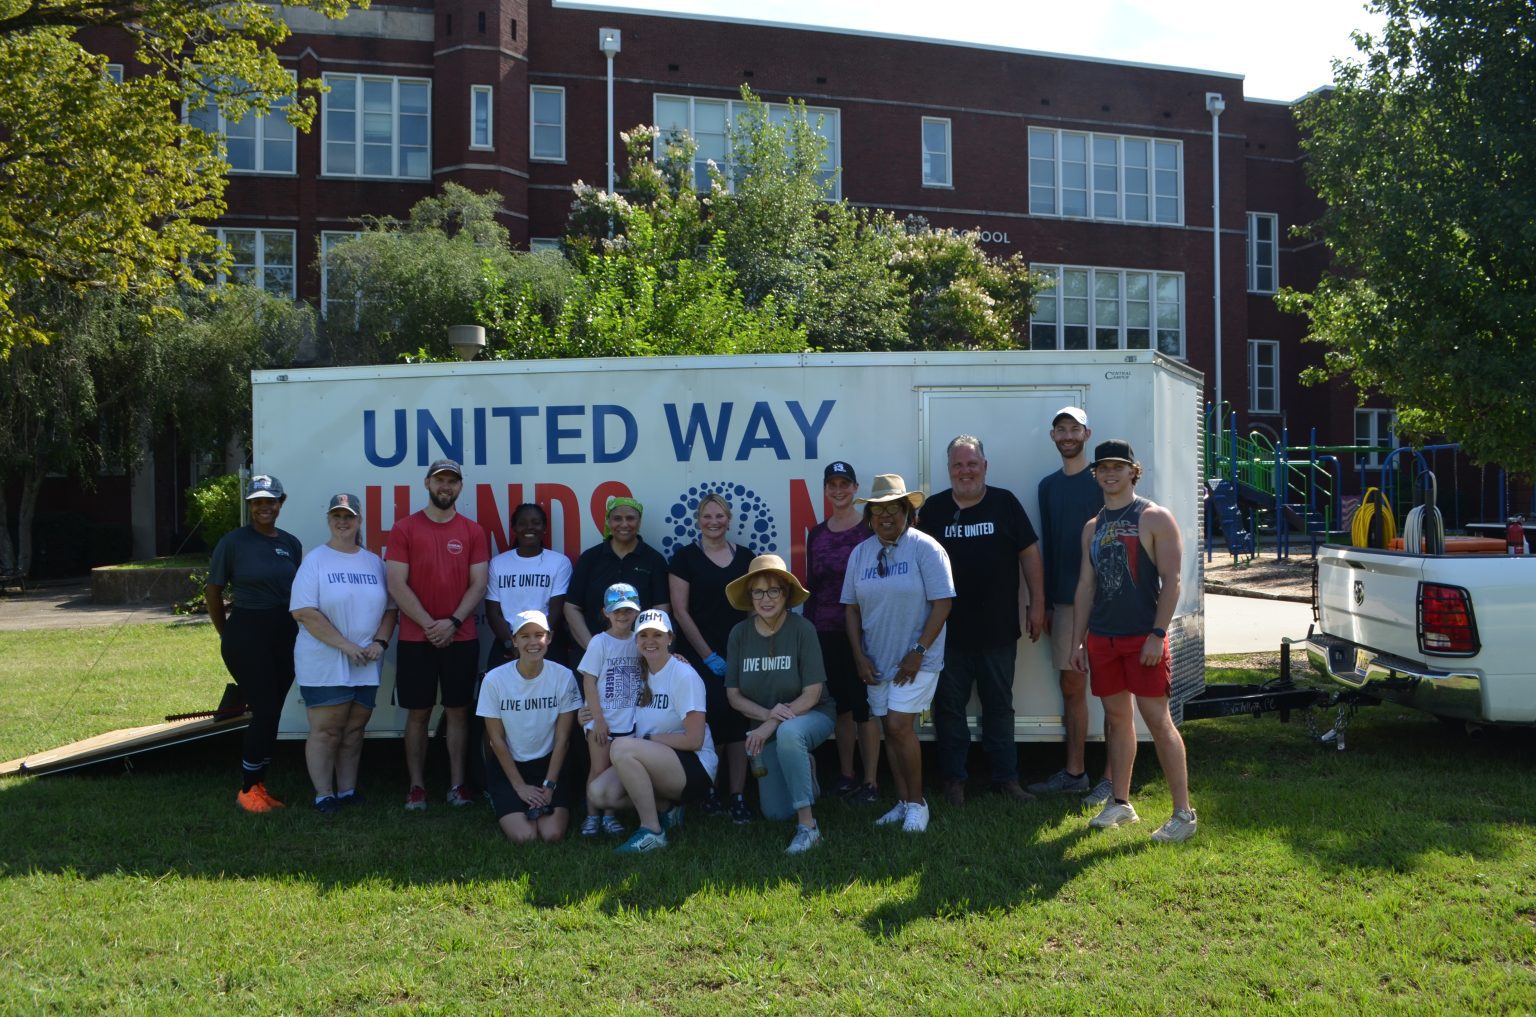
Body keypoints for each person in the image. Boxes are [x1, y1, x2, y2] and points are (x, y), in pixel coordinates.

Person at [1069, 439, 1197, 843]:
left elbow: (1173, 581)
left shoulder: (1154, 517)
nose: (1110, 473)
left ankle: (1183, 814)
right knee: (1117, 719)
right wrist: (1077, 641)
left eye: (1118, 467)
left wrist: (1158, 634)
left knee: (1157, 720)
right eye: (1103, 468)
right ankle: (1121, 803)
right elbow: (1085, 586)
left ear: (1132, 471)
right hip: (1102, 639)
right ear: (1096, 474)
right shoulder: (1092, 527)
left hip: (1143, 638)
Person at [917, 436, 1044, 806]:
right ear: (949, 469)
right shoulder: (934, 509)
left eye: (972, 464)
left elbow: (1030, 555)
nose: (965, 471)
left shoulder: (1005, 503)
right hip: (946, 633)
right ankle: (954, 780)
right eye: (958, 465)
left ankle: (1006, 779)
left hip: (997, 630)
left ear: (984, 466)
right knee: (949, 710)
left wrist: (1037, 604)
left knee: (999, 707)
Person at [841, 473, 955, 834]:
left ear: (908, 511)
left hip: (917, 660)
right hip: (876, 660)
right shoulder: (860, 553)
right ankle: (903, 801)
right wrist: (859, 656)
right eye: (878, 510)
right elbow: (851, 609)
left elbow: (943, 603)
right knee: (888, 731)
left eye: (893, 509)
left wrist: (918, 651)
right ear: (869, 517)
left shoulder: (925, 548)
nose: (885, 516)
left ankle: (918, 804)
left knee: (898, 725)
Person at [384, 458, 490, 811]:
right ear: (427, 483)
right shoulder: (404, 528)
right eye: (440, 480)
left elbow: (479, 584)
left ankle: (458, 785)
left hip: (461, 636)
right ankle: (416, 787)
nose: (446, 486)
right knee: (418, 712)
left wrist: (453, 623)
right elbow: (396, 583)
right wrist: (431, 624)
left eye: (452, 481)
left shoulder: (473, 531)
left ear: (460, 487)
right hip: (417, 639)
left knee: (458, 711)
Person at [288, 493, 398, 814]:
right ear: (328, 520)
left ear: (359, 521)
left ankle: (348, 790)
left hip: (366, 662)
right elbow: (303, 611)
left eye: (349, 516)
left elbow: (391, 609)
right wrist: (346, 645)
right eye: (337, 516)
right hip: (324, 661)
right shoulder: (316, 561)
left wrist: (380, 643)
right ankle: (324, 795)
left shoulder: (374, 562)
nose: (342, 521)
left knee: (353, 730)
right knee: (327, 731)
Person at [1028, 406, 1116, 805]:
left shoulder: (1102, 482)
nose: (1067, 435)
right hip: (1064, 603)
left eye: (1074, 429)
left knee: (1113, 691)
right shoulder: (1047, 486)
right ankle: (1075, 773)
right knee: (1072, 686)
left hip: (1109, 602)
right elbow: (1047, 543)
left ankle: (1112, 778)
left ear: (1086, 434)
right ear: (1053, 436)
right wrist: (1044, 602)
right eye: (1061, 429)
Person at [723, 555, 836, 854]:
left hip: (812, 714)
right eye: (758, 592)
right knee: (774, 812)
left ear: (786, 594)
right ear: (750, 597)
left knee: (789, 733)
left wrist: (770, 723)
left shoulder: (802, 629)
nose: (766, 599)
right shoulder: (739, 634)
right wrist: (765, 715)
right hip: (766, 725)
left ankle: (808, 827)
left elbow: (812, 694)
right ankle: (805, 769)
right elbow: (734, 696)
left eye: (773, 590)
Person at [207, 473, 303, 813]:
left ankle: (259, 784)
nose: (264, 507)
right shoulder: (233, 542)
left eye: (270, 501)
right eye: (257, 501)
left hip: (284, 634)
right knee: (265, 709)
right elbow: (213, 592)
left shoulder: (291, 543)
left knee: (272, 711)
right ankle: (247, 789)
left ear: (281, 503)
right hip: (247, 632)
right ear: (250, 505)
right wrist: (228, 633)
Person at [588, 609, 718, 853]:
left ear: (669, 638)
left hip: (695, 766)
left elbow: (695, 740)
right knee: (599, 792)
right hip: (656, 759)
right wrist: (584, 714)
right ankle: (668, 809)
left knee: (623, 749)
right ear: (636, 640)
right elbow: (608, 700)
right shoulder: (638, 673)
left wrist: (649, 740)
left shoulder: (683, 675)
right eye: (643, 635)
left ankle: (652, 831)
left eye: (657, 635)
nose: (650, 641)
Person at [667, 493, 753, 821]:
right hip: (699, 656)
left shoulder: (746, 557)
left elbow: (753, 609)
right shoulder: (684, 558)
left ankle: (739, 794)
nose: (713, 522)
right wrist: (709, 656)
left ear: (729, 520)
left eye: (720, 516)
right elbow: (680, 611)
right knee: (711, 719)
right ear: (698, 520)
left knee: (739, 722)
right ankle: (710, 791)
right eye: (707, 516)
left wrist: (743, 654)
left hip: (739, 654)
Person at [804, 461, 880, 804]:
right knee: (842, 707)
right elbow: (812, 586)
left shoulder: (869, 530)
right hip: (825, 632)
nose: (838, 490)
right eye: (832, 485)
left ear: (855, 488)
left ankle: (871, 781)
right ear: (825, 490)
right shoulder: (817, 534)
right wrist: (808, 631)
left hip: (863, 633)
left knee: (865, 706)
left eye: (844, 484)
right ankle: (847, 775)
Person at [477, 610, 582, 844]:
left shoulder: (563, 677)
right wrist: (520, 787)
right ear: (514, 640)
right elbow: (496, 740)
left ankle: (541, 798)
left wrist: (549, 785)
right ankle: (503, 796)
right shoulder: (494, 680)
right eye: (525, 636)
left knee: (552, 834)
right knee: (525, 836)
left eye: (539, 635)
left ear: (549, 638)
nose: (533, 642)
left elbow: (563, 739)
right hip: (510, 767)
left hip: (550, 765)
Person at [565, 495, 670, 656]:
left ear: (639, 522)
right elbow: (571, 607)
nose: (624, 524)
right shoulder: (590, 558)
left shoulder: (654, 560)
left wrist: (644, 649)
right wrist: (593, 649)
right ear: (608, 522)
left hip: (639, 656)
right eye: (617, 518)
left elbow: (661, 609)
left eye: (630, 518)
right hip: (590, 653)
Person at [576, 583, 642, 838]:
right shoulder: (599, 642)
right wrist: (599, 720)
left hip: (629, 721)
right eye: (617, 611)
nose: (622, 615)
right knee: (598, 769)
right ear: (606, 612)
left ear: (637, 611)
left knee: (618, 772)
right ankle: (592, 816)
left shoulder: (640, 640)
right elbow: (589, 681)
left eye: (628, 610)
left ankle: (610, 816)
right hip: (603, 720)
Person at [485, 503, 572, 670]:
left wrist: (536, 643)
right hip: (508, 642)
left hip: (546, 642)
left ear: (544, 528)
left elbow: (556, 610)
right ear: (514, 528)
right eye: (522, 523)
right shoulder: (498, 563)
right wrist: (513, 644)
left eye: (536, 522)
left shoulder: (559, 562)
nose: (529, 527)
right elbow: (493, 613)